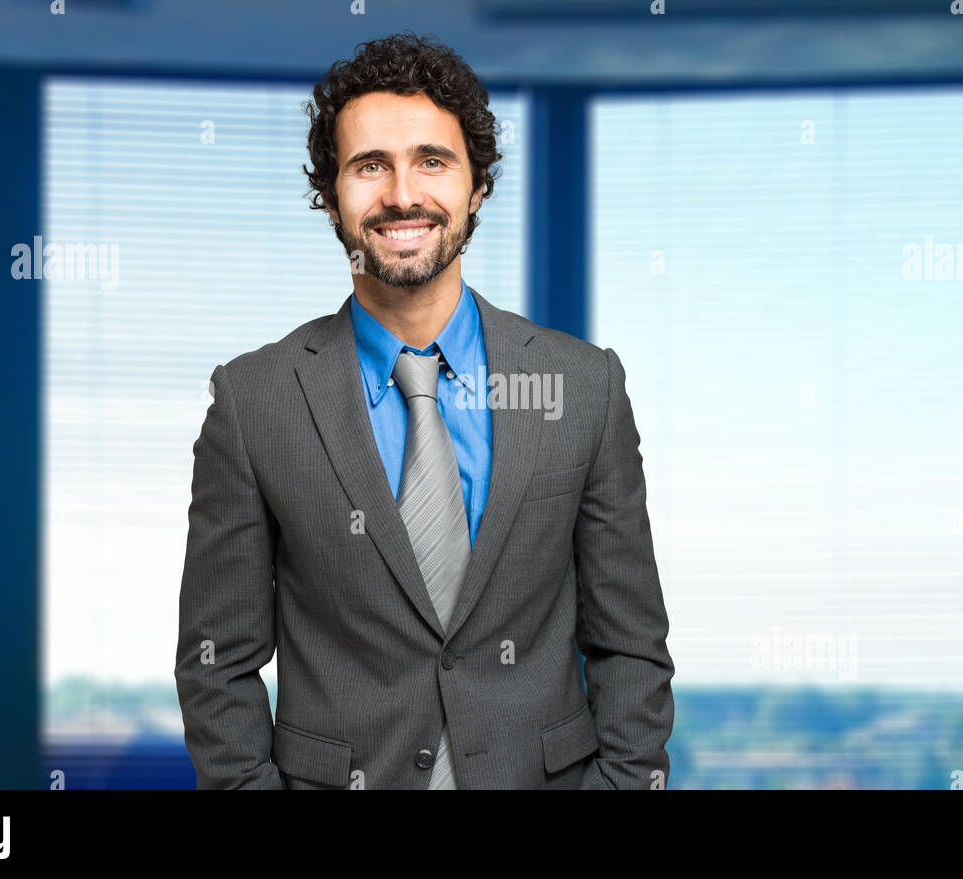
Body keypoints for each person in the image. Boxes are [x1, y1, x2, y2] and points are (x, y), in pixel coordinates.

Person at [174, 30, 674, 789]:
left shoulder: (585, 387)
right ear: (331, 195)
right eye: (369, 165)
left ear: (476, 188)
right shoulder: (254, 402)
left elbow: (631, 647)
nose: (402, 194)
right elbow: (217, 665)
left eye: (431, 161)